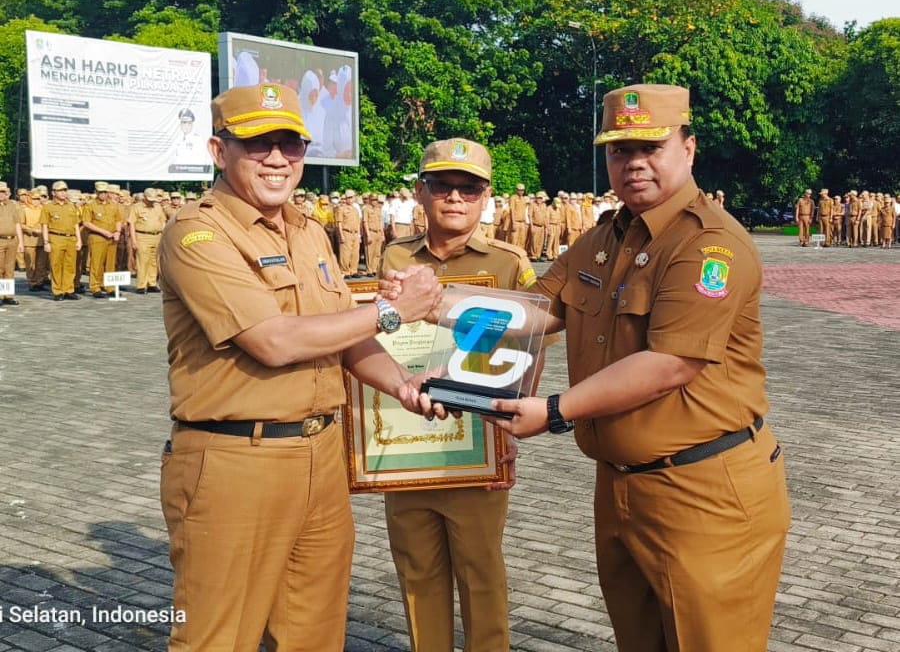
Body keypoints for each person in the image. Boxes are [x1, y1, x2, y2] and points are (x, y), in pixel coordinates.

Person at [486, 84, 790, 652]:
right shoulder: (605, 237)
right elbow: (533, 311)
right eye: (620, 150)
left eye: (650, 146)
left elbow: (671, 363)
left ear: (689, 148)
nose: (634, 163)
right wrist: (425, 306)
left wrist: (554, 411)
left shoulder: (709, 246)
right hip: (622, 487)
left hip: (703, 490)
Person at [156, 82, 442, 652]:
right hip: (237, 460)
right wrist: (391, 313)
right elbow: (274, 340)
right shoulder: (198, 233)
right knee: (218, 637)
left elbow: (343, 337)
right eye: (259, 144)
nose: (278, 159)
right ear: (220, 151)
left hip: (320, 456)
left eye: (292, 144)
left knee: (314, 632)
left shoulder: (309, 231)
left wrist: (404, 383)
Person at [379, 138, 532, 652]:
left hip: (479, 443)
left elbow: (528, 350)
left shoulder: (509, 263)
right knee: (417, 572)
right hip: (408, 441)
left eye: (469, 188)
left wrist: (511, 426)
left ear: (486, 197)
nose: (454, 197)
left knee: (481, 573)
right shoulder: (394, 255)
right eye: (442, 185)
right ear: (421, 192)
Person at [40, 181, 82, 300]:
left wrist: (78, 240)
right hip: (55, 237)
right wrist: (46, 242)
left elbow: (76, 225)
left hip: (71, 238)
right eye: (60, 190)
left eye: (65, 190)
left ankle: (68, 289)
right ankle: (57, 291)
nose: (63, 193)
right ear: (53, 192)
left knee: (70, 265)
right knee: (56, 265)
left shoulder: (71, 206)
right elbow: (44, 225)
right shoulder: (48, 207)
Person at [80, 181, 124, 298]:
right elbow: (86, 223)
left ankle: (110, 287)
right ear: (96, 192)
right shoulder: (90, 205)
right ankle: (95, 287)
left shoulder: (113, 205)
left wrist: (118, 232)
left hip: (112, 238)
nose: (103, 194)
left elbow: (118, 220)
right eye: (101, 192)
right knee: (97, 263)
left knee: (110, 263)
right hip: (97, 237)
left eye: (105, 192)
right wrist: (103, 232)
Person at [129, 188, 168, 293]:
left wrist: (163, 235)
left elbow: (163, 221)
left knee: (154, 261)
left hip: (157, 236)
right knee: (142, 261)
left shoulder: (158, 207)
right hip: (142, 236)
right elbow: (131, 224)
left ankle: (152, 283)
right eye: (150, 199)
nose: (152, 201)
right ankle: (141, 285)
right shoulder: (136, 207)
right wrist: (133, 240)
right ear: (144, 197)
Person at [0, 181, 24, 304]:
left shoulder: (12, 206)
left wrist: (20, 242)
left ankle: (7, 295)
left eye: (3, 192)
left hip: (12, 240)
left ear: (7, 193)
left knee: (9, 269)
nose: (1, 194)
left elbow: (17, 224)